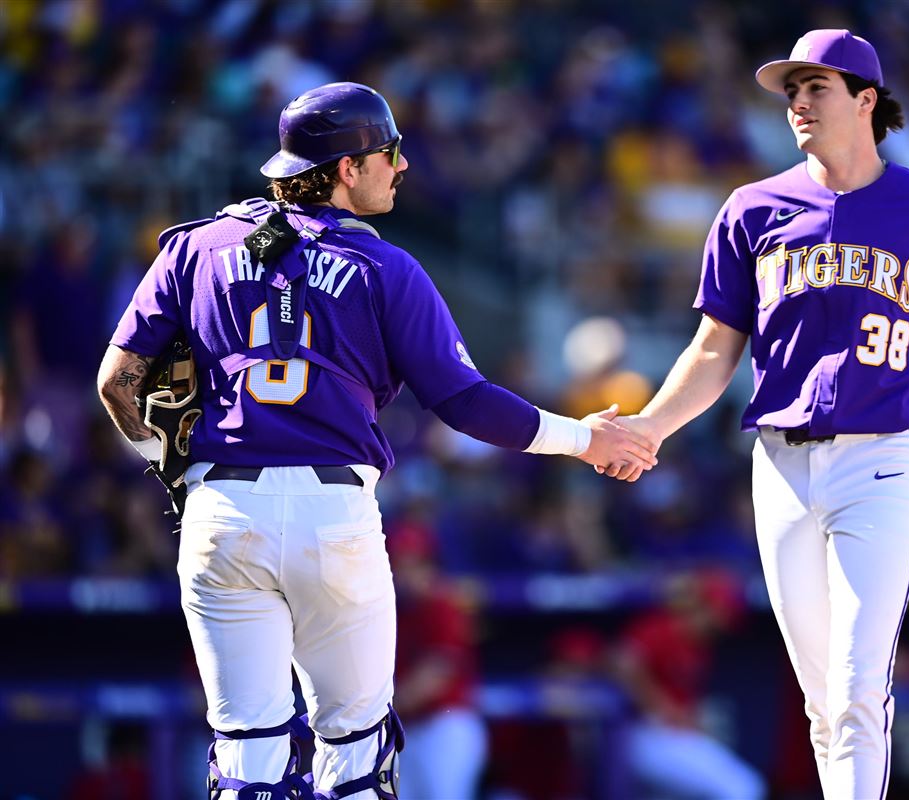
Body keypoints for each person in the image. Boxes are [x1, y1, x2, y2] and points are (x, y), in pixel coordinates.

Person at [95, 81, 656, 800]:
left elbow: (118, 382)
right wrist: (583, 438)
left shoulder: (197, 247)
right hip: (332, 512)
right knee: (354, 750)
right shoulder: (385, 266)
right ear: (345, 169)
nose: (402, 166)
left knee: (246, 754)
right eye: (388, 152)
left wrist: (168, 470)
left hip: (220, 507)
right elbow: (464, 402)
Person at [601, 30, 909, 798]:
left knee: (857, 686)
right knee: (820, 700)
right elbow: (715, 349)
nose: (798, 103)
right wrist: (651, 424)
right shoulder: (753, 208)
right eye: (791, 91)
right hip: (778, 464)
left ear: (866, 101)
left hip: (881, 460)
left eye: (818, 88)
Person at [612, 569, 764, 800]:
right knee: (745, 789)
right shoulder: (663, 628)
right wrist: (660, 707)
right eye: (720, 611)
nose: (723, 621)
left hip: (672, 737)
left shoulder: (700, 646)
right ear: (704, 606)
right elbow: (622, 662)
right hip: (640, 733)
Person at [388, 522, 487, 800]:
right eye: (399, 563)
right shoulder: (392, 606)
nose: (406, 572)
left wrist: (378, 711)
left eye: (415, 564)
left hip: (445, 727)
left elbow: (435, 674)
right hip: (407, 729)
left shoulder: (442, 604)